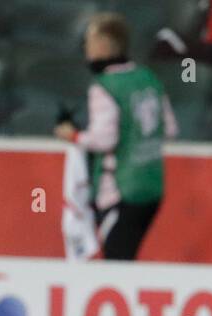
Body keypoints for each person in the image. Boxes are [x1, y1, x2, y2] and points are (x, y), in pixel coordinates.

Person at [55, 12, 177, 261]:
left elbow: (105, 139)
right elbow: (170, 129)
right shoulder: (148, 77)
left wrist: (74, 135)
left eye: (89, 43)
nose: (86, 50)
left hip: (121, 191)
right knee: (126, 256)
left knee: (116, 264)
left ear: (103, 44)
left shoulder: (105, 85)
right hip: (153, 188)